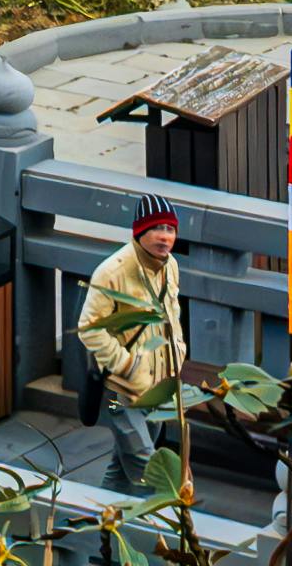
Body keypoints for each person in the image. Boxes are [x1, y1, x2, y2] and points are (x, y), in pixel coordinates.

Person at [73, 207, 194, 487]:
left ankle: (106, 521)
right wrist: (127, 365)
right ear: (140, 231)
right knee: (150, 466)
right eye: (157, 228)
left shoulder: (170, 266)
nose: (165, 237)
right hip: (121, 389)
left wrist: (178, 353)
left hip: (159, 384)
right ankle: (177, 524)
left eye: (170, 229)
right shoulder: (112, 271)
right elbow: (88, 328)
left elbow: (171, 316)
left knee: (124, 466)